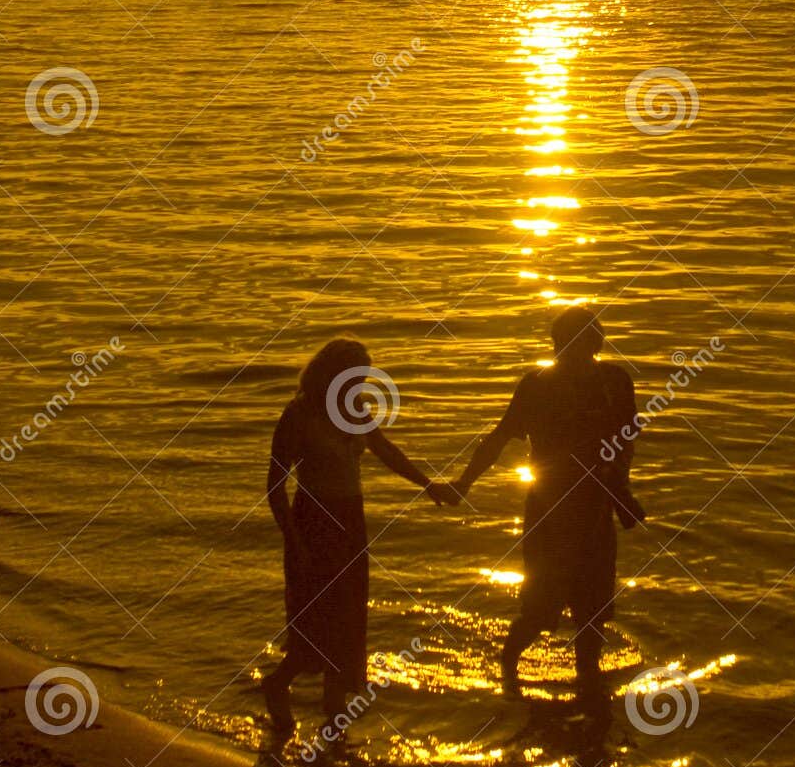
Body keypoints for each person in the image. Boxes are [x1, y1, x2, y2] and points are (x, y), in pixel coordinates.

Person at [261, 338, 456, 739]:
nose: (361, 382)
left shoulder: (356, 410)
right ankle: (277, 685)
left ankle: (333, 716)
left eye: (364, 375)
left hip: (351, 522)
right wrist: (294, 543)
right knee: (313, 621)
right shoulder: (298, 416)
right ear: (331, 375)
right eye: (355, 374)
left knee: (347, 619)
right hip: (314, 523)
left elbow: (386, 450)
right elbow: (275, 487)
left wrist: (428, 485)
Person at [453, 307, 643, 700]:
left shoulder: (615, 382)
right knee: (541, 612)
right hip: (550, 513)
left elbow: (626, 439)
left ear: (594, 345)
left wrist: (619, 487)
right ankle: (508, 672)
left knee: (592, 617)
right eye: (567, 344)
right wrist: (464, 483)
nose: (569, 352)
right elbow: (502, 435)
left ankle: (588, 694)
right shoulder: (537, 385)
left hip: (595, 509)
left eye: (581, 343)